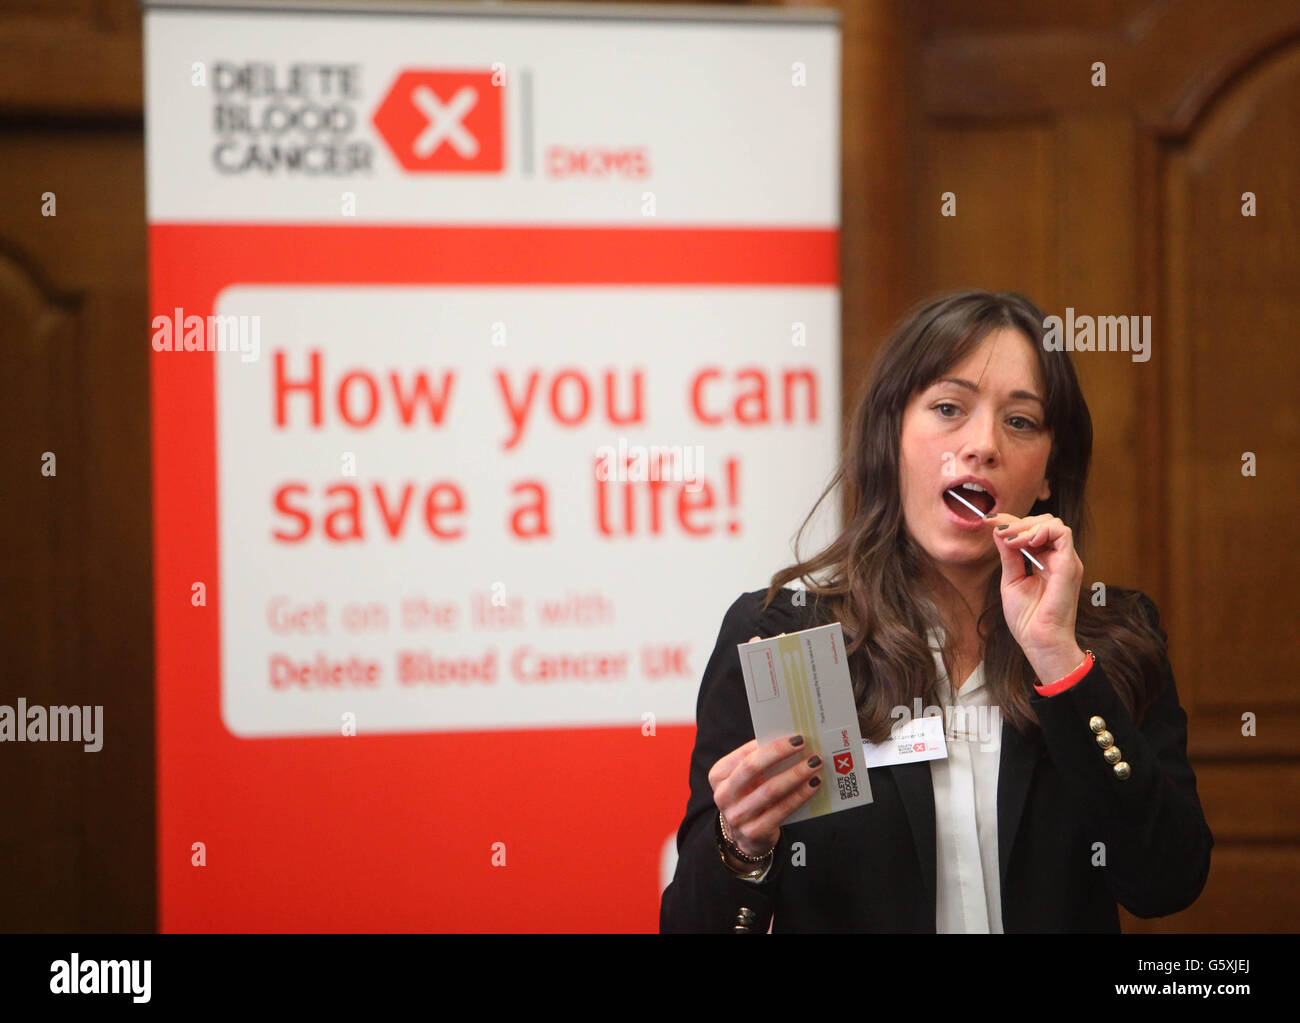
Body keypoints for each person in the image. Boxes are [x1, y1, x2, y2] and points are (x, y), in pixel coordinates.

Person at [659, 290, 1213, 933]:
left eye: (1021, 422)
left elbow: (1167, 880)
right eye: (949, 409)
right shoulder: (790, 639)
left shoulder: (1109, 638)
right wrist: (743, 848)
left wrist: (1058, 657)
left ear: (1046, 477)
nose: (981, 445)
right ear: (890, 438)